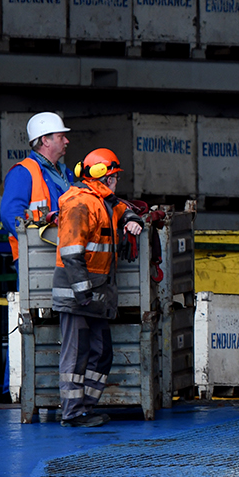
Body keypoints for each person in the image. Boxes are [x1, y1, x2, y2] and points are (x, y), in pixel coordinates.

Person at [51, 148, 142, 428]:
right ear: (106, 177)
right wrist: (82, 293)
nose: (116, 182)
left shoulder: (102, 200)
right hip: (79, 296)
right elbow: (70, 252)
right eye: (114, 177)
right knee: (76, 355)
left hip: (95, 295)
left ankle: (85, 407)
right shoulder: (80, 203)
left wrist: (131, 219)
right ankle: (72, 412)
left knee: (102, 353)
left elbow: (122, 207)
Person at [0, 111, 72, 259]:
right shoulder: (23, 172)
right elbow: (10, 215)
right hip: (36, 256)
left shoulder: (66, 173)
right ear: (45, 140)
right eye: (61, 137)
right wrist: (33, 244)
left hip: (65, 252)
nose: (66, 141)